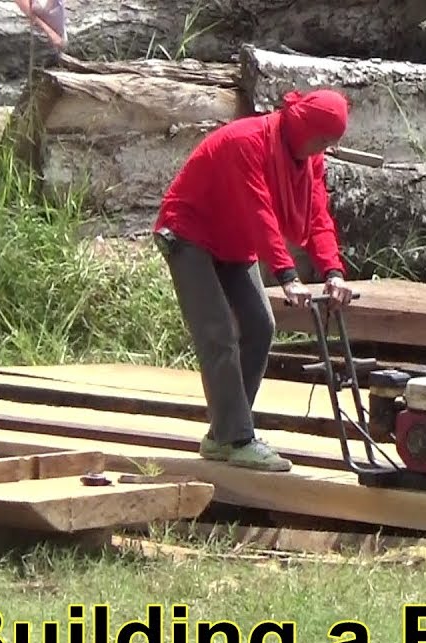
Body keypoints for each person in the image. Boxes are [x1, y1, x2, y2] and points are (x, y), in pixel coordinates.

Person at [152, 88, 357, 473]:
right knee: (218, 335)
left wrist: (332, 272)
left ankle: (224, 434)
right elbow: (258, 209)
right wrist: (287, 276)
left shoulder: (310, 159)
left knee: (261, 326)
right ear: (303, 127)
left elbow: (317, 217)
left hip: (234, 239)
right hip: (190, 234)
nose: (324, 149)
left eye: (331, 143)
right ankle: (237, 438)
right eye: (323, 139)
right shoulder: (246, 142)